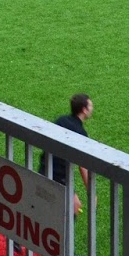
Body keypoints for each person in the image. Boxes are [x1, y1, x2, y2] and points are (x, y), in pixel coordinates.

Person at [40, 94, 94, 229]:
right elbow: (83, 166)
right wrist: (91, 192)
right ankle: (63, 247)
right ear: (84, 109)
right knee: (73, 207)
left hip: (44, 167)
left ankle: (20, 239)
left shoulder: (61, 120)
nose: (92, 108)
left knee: (42, 205)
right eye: (90, 106)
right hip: (59, 175)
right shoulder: (80, 133)